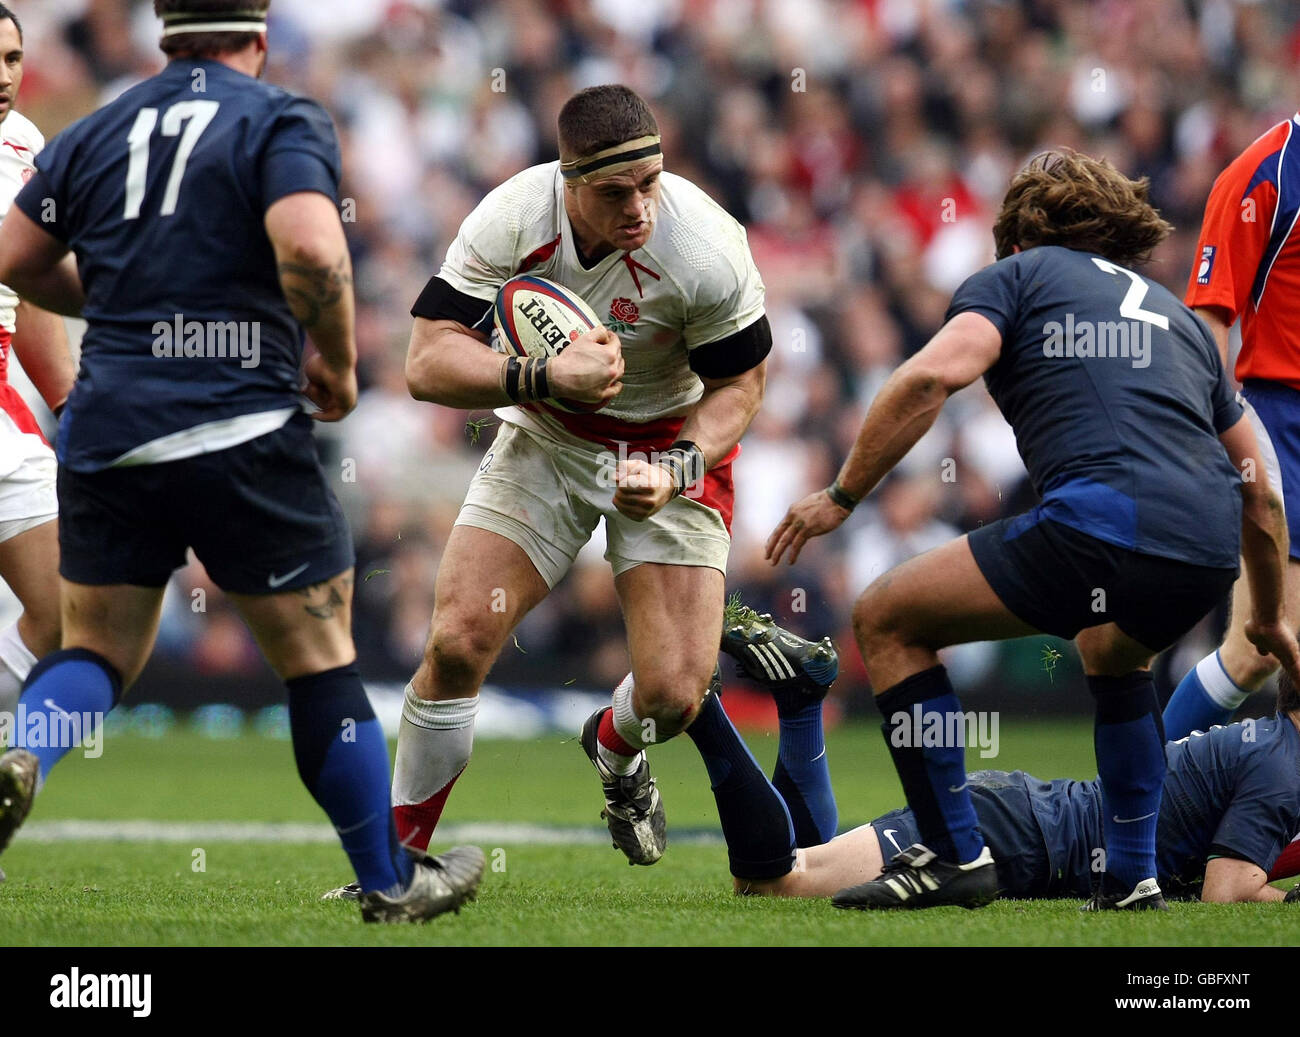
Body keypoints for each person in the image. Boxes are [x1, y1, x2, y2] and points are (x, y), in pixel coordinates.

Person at [0, 0, 482, 923]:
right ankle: (387, 878)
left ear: (165, 37)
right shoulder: (277, 115)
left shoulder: (99, 124)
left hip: (109, 426)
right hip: (240, 421)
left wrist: (123, 302)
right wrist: (336, 361)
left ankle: (26, 753)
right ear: (258, 40)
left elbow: (16, 258)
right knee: (318, 660)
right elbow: (308, 243)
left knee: (96, 647)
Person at [768, 149, 1300, 910]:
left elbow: (929, 377)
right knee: (1111, 649)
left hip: (1104, 526)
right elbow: (1265, 494)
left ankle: (954, 855)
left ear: (1015, 240)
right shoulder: (1176, 318)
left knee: (886, 614)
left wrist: (842, 495)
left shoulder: (1018, 276)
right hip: (1206, 551)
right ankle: (1130, 874)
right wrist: (1272, 614)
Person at [384, 84, 772, 868]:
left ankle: (614, 741)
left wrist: (675, 467)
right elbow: (427, 362)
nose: (640, 208)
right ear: (569, 185)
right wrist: (540, 378)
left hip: (668, 441)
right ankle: (398, 866)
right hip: (551, 437)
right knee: (457, 639)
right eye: (614, 191)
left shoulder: (705, 245)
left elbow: (742, 388)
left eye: (650, 182)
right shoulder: (515, 215)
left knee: (672, 696)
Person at [708, 671, 1300, 907]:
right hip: (1020, 834)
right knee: (773, 883)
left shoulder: (1271, 745)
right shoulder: (1283, 767)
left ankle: (802, 705)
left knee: (791, 867)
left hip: (1027, 821)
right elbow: (1227, 892)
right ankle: (703, 712)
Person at [1163, 114, 1300, 742]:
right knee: (1262, 650)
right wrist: (1215, 433)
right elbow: (1210, 319)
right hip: (1282, 424)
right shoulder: (1261, 175)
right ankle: (1130, 806)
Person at [0, 3, 77, 733]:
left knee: (64, 613)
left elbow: (29, 283)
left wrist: (69, 397)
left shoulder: (24, 144)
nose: (2, 77)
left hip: (2, 411)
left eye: (12, 59)